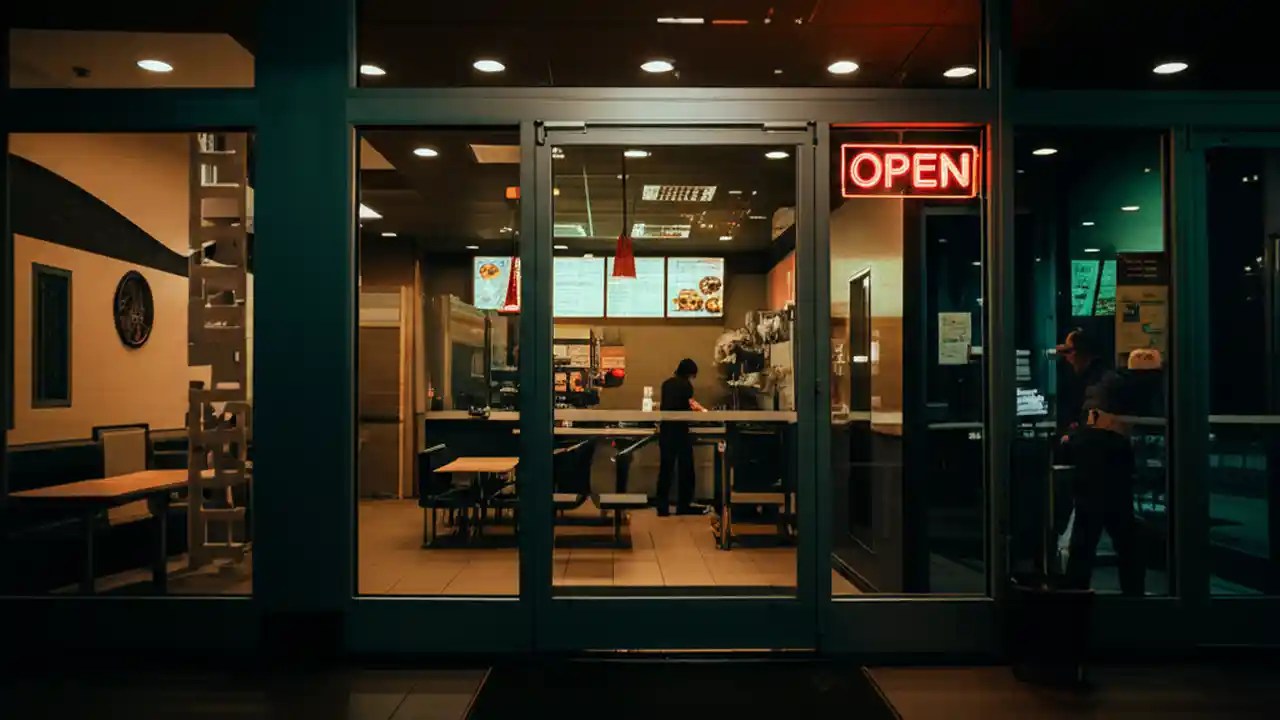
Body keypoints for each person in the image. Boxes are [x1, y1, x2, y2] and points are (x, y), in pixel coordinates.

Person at [1056, 328, 1145, 596]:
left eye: (1069, 352)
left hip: (1097, 472)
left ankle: (1075, 598)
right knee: (1123, 536)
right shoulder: (1108, 378)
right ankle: (1134, 594)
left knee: (1085, 540)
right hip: (1115, 469)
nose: (1067, 359)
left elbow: (1094, 428)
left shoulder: (1097, 384)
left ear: (1081, 353)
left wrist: (1070, 439)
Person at [655, 358, 708, 516]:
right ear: (689, 374)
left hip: (666, 432)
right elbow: (687, 407)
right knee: (686, 471)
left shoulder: (666, 384)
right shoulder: (686, 386)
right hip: (680, 433)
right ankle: (683, 505)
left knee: (666, 470)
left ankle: (662, 507)